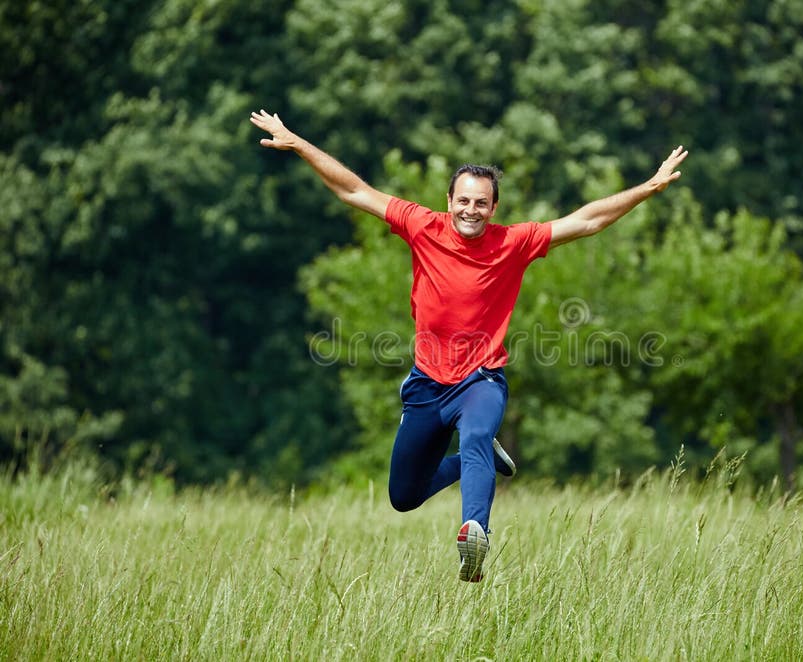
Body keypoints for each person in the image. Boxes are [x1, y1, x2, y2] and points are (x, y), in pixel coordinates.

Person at [250, 109, 688, 582]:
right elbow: (354, 190)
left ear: (494, 208)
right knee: (404, 496)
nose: (471, 210)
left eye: (481, 203)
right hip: (426, 385)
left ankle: (475, 534)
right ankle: (473, 464)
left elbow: (585, 221)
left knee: (477, 433)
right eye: (464, 201)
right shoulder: (421, 226)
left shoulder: (513, 243)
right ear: (449, 200)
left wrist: (647, 189)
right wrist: (298, 143)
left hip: (481, 380)